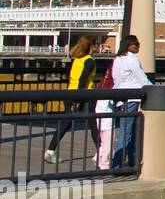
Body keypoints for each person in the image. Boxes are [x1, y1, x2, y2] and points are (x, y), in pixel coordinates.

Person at [44, 35, 97, 165]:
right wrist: (78, 98)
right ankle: (101, 152)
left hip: (70, 93)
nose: (97, 47)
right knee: (93, 123)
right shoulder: (89, 60)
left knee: (65, 123)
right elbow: (83, 79)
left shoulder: (77, 60)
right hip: (84, 95)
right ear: (91, 46)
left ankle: (50, 150)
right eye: (96, 45)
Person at [110, 35, 150, 168]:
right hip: (133, 98)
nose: (138, 46)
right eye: (136, 44)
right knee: (127, 132)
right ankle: (117, 165)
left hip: (120, 97)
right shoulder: (132, 60)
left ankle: (130, 163)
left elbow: (115, 78)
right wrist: (155, 88)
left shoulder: (118, 59)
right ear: (129, 45)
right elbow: (143, 80)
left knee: (127, 131)